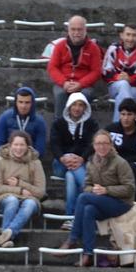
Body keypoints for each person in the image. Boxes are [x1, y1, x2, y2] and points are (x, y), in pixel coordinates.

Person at [59, 130, 134, 267]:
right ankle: (88, 254)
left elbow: (129, 188)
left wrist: (107, 190)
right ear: (94, 146)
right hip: (99, 201)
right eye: (98, 143)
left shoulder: (120, 163)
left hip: (121, 203)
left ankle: (72, 239)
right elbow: (86, 186)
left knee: (83, 198)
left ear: (111, 145)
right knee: (88, 210)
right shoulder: (91, 163)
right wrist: (93, 190)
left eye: (105, 143)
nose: (102, 146)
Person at [0, 131, 46, 247]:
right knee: (12, 201)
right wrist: (19, 190)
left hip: (29, 198)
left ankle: (8, 233)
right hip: (5, 198)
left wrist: (20, 184)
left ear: (27, 146)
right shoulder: (0, 160)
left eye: (22, 145)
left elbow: (40, 192)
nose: (18, 148)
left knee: (30, 204)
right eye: (16, 145)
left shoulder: (35, 162)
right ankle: (8, 237)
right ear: (10, 145)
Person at [50, 92, 98, 227]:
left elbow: (92, 144)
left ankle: (70, 218)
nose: (77, 108)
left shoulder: (91, 124)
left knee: (71, 177)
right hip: (60, 164)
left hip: (80, 164)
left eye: (81, 105)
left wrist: (81, 158)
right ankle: (90, 193)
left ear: (85, 107)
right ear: (69, 106)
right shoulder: (58, 123)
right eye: (74, 105)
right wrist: (63, 157)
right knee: (73, 172)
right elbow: (54, 144)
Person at [48, 15, 103, 117]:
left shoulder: (93, 48)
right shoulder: (60, 46)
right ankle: (59, 126)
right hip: (63, 84)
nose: (76, 33)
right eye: (73, 29)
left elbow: (96, 71)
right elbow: (52, 67)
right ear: (68, 30)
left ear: (85, 30)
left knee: (83, 96)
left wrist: (80, 84)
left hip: (84, 86)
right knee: (60, 95)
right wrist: (64, 82)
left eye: (79, 29)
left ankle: (82, 126)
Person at [102, 25, 136, 123]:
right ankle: (131, 123)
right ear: (121, 35)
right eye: (128, 35)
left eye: (134, 35)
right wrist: (119, 77)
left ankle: (117, 127)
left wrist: (130, 79)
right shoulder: (113, 49)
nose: (130, 38)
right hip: (115, 87)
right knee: (123, 85)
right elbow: (105, 73)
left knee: (124, 94)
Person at [106, 99, 136, 195]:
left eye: (129, 114)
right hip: (114, 164)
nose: (126, 118)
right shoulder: (110, 129)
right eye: (123, 114)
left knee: (131, 168)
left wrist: (123, 161)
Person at [0, 86, 49, 155]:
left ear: (32, 103)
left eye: (27, 102)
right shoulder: (5, 117)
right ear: (15, 102)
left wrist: (25, 157)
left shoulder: (39, 122)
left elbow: (40, 150)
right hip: (8, 158)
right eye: (20, 102)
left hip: (30, 160)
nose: (23, 106)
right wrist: (10, 155)